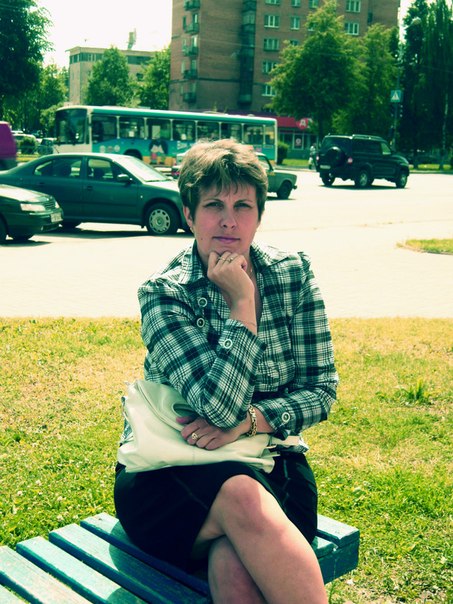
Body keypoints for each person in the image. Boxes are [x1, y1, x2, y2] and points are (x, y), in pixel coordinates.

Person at [114, 139, 338, 603]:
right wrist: (242, 305)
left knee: (234, 560)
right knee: (240, 497)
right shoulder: (165, 293)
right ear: (189, 213)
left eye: (243, 206)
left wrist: (251, 422)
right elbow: (217, 409)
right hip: (170, 474)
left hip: (271, 462)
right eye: (214, 205)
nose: (229, 220)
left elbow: (322, 391)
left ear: (260, 215)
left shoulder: (292, 275)